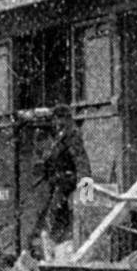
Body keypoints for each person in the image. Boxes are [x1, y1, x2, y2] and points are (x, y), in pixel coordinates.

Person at [38, 104, 93, 246]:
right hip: (58, 184)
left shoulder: (71, 136)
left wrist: (86, 194)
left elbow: (82, 163)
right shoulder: (60, 136)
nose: (56, 123)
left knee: (53, 219)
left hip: (66, 184)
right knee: (53, 219)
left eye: (58, 119)